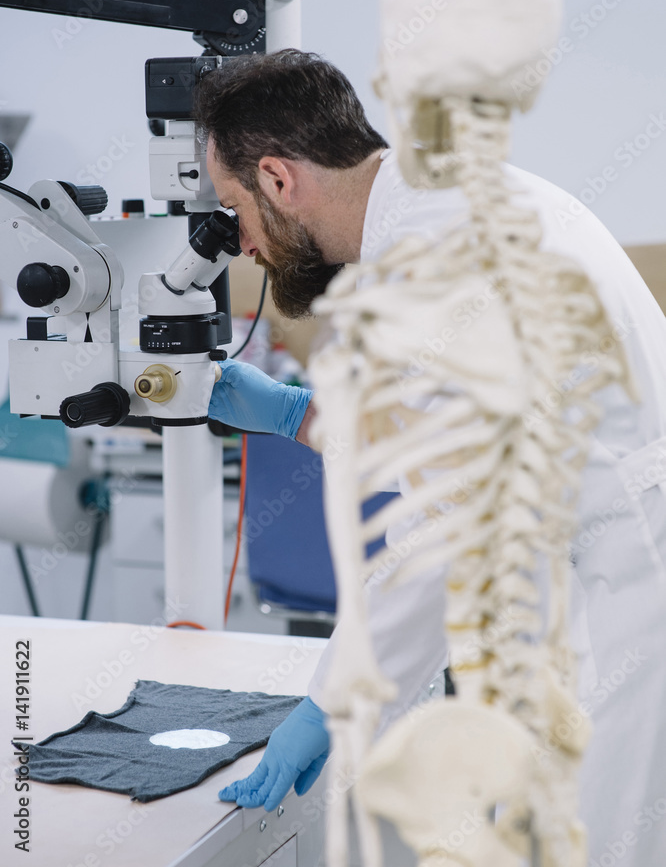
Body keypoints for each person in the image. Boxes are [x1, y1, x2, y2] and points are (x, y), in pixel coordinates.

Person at [199, 49, 666, 865]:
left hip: (628, 594)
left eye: (235, 208)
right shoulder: (450, 200)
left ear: (277, 178)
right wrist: (300, 417)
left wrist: (330, 702)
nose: (241, 244)